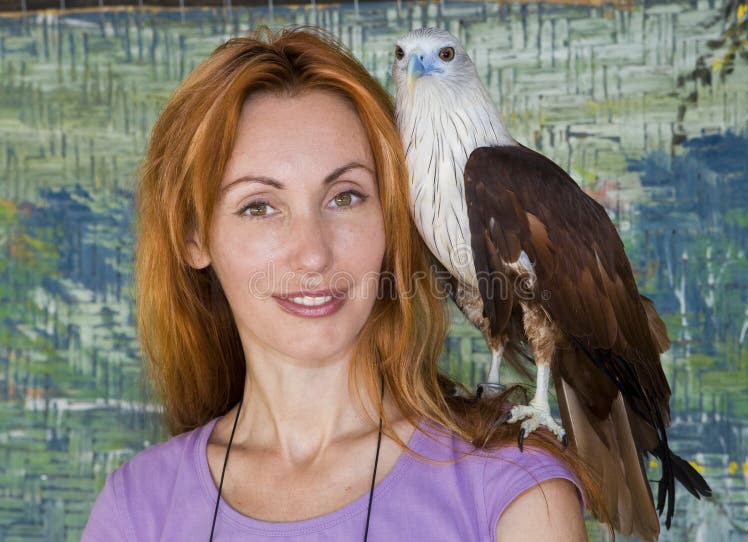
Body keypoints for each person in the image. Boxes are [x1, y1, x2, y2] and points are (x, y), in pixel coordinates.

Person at [81, 25, 604, 541]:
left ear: (392, 215)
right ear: (194, 237)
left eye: (345, 197)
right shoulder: (135, 510)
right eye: (259, 206)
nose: (313, 254)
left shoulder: (516, 489)